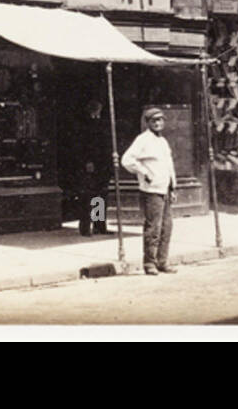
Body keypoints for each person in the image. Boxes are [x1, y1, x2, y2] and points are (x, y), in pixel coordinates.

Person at [121, 106, 177, 275]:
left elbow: (169, 166)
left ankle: (162, 261)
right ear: (148, 123)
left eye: (160, 120)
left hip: (165, 189)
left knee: (167, 227)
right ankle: (149, 263)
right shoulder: (142, 140)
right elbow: (127, 160)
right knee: (154, 228)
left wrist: (173, 187)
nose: (158, 123)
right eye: (154, 120)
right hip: (151, 190)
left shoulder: (162, 141)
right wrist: (145, 173)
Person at [72, 97, 111, 237]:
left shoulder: (102, 123)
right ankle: (85, 227)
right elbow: (82, 145)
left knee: (100, 195)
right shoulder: (84, 125)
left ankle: (99, 225)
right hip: (90, 164)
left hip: (102, 165)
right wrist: (87, 161)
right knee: (88, 196)